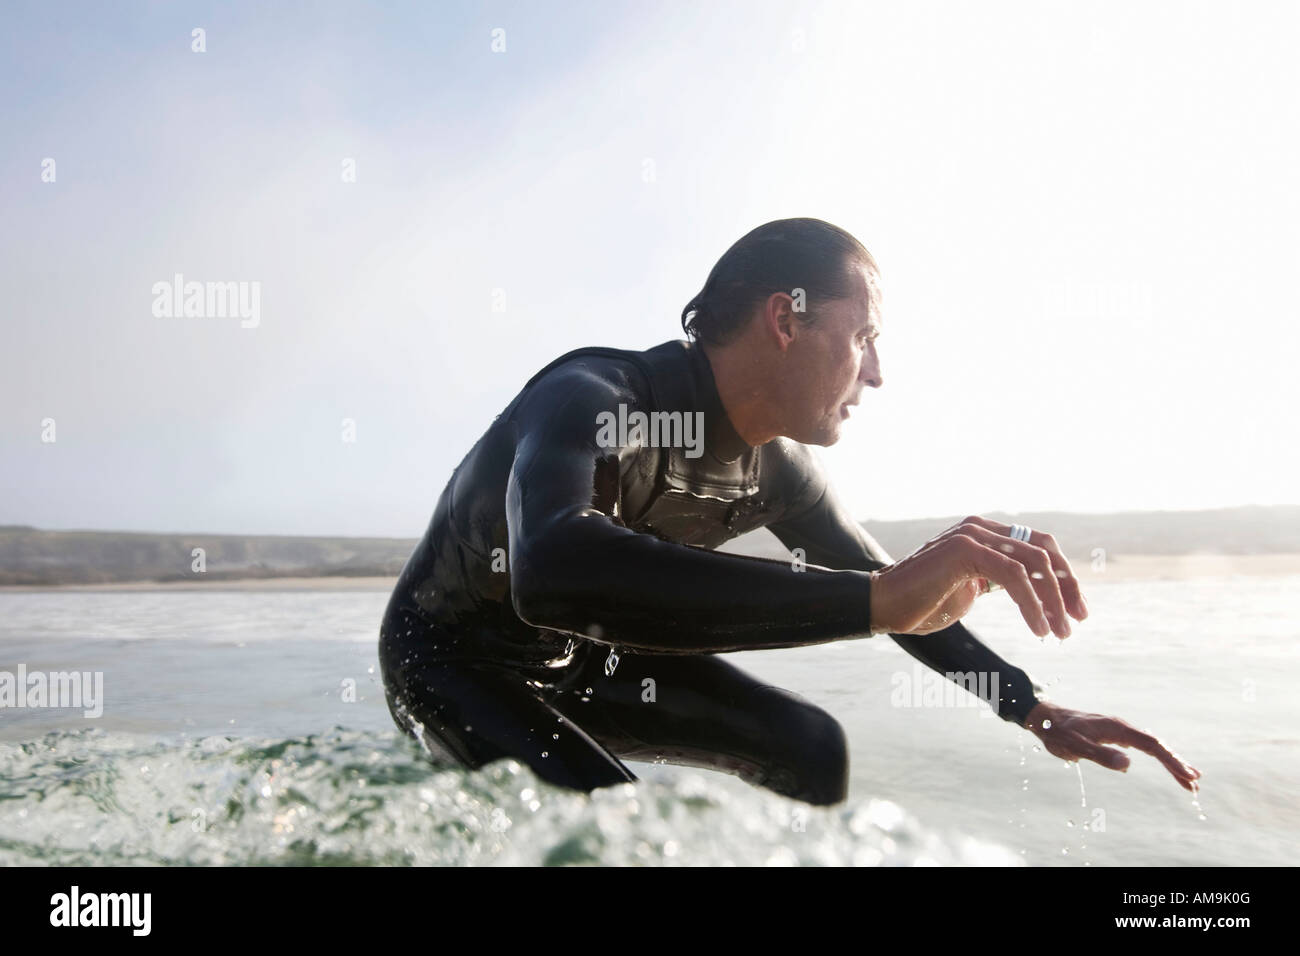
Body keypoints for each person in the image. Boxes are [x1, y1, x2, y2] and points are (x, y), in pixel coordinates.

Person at [378, 217, 1200, 805]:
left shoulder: (783, 473)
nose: (875, 373)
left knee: (810, 747)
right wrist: (879, 602)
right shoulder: (598, 397)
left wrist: (1028, 704)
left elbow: (897, 593)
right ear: (786, 318)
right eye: (865, 336)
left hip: (592, 663)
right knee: (614, 830)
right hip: (454, 660)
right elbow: (554, 572)